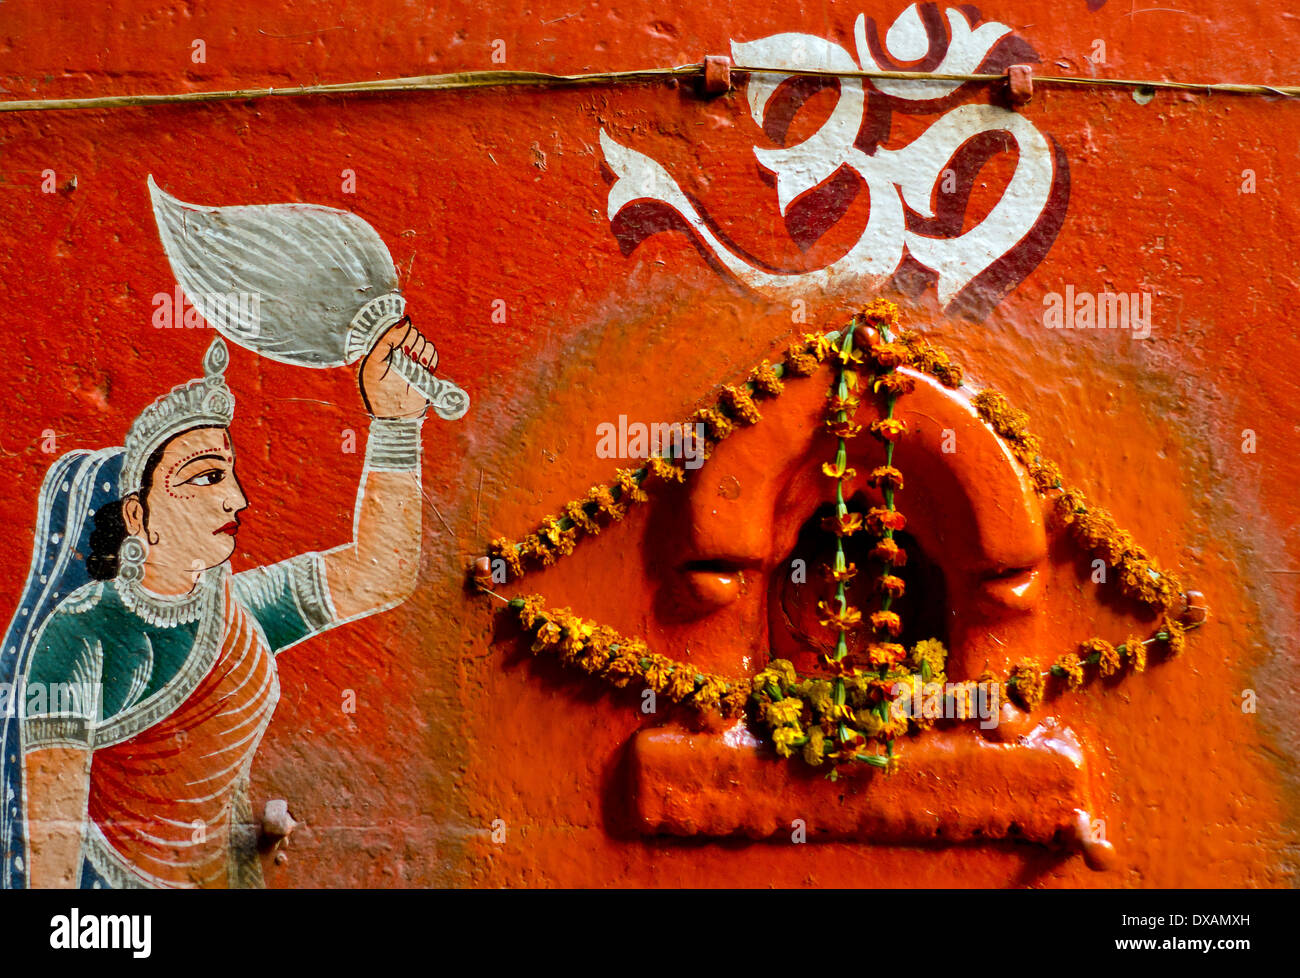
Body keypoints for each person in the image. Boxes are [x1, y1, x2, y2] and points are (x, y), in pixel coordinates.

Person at [3, 322, 436, 888]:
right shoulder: (82, 633)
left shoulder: (234, 609)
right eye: (206, 477)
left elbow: (380, 573)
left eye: (229, 474)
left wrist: (396, 422)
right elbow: (53, 869)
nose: (238, 497)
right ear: (138, 516)